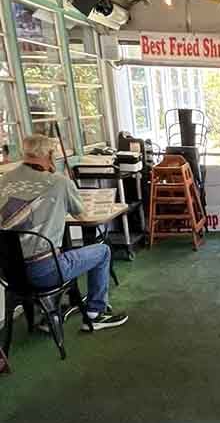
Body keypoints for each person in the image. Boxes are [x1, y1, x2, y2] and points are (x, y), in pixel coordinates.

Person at [0, 134, 128, 330]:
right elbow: (83, 216)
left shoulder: (4, 180)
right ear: (50, 155)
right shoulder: (59, 182)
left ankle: (50, 314)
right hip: (44, 273)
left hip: (8, 274)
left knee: (55, 252)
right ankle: (95, 313)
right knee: (102, 251)